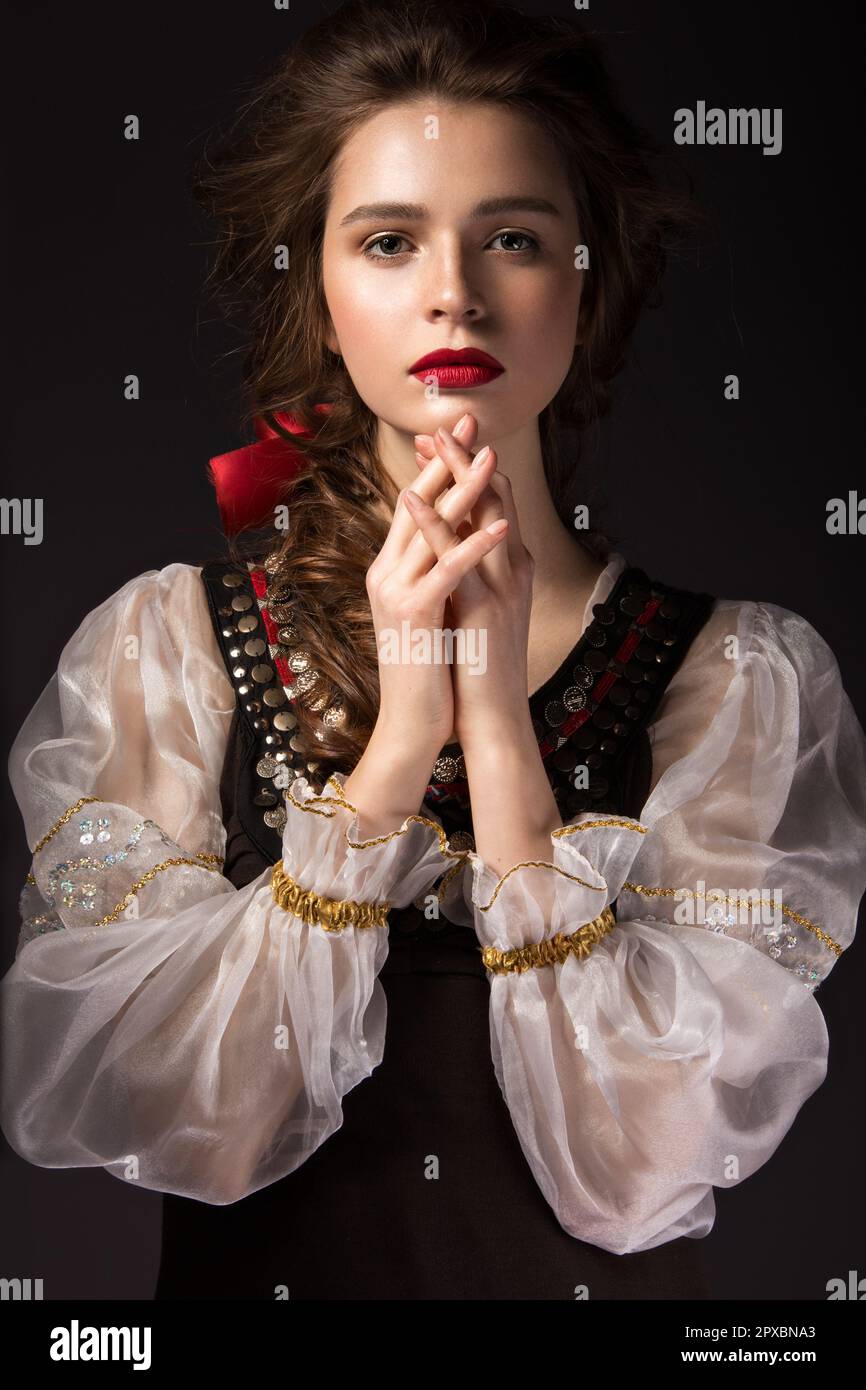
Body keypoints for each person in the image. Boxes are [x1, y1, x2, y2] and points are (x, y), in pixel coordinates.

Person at [3, 0, 865, 1301]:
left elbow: (647, 1172)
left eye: (510, 237)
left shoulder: (733, 677)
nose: (452, 290)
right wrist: (401, 740)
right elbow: (188, 1124)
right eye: (390, 240)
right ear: (320, 281)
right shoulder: (164, 648)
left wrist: (502, 738)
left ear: (587, 272)